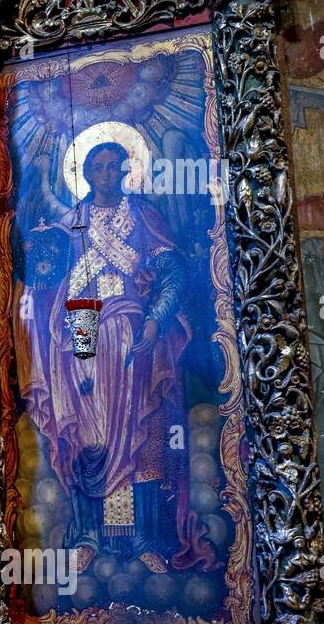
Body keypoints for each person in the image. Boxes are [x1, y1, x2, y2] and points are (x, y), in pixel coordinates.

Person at [23, 141, 214, 575]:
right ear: (86, 174)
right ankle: (89, 536)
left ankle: (145, 538)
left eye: (114, 167)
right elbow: (50, 280)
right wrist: (41, 252)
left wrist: (156, 321)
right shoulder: (71, 222)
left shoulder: (144, 217)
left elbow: (174, 276)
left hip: (134, 334)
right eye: (98, 167)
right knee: (91, 429)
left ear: (126, 171)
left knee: (138, 432)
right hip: (83, 325)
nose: (106, 174)